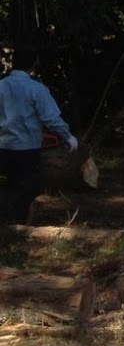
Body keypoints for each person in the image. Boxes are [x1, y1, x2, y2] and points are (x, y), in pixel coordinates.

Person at [0, 46, 77, 226]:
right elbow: (51, 119)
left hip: (2, 147)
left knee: (12, 185)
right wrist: (68, 137)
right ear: (34, 64)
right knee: (26, 189)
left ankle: (10, 226)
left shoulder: (1, 87)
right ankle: (18, 225)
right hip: (26, 149)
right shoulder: (37, 89)